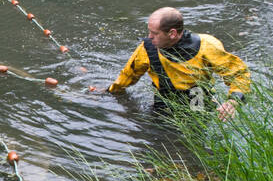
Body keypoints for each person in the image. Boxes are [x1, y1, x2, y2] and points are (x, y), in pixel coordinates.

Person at [107, 7, 250, 120]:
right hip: (163, 101)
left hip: (198, 98)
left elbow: (238, 74)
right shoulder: (147, 49)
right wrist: (109, 92)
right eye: (149, 32)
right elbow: (128, 75)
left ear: (172, 33)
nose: (149, 37)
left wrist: (233, 101)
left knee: (195, 133)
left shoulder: (207, 46)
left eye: (154, 33)